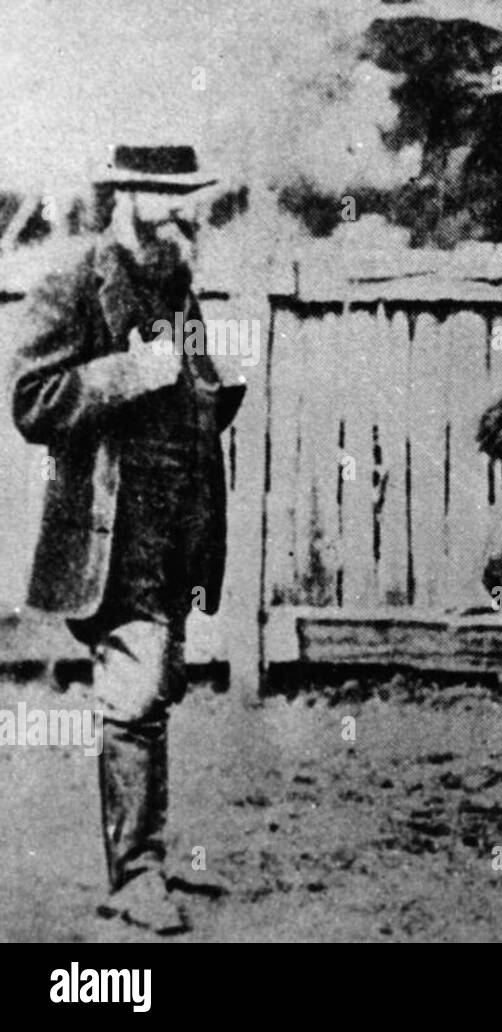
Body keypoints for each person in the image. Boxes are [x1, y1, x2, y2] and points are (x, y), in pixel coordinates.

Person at [8, 145, 245, 933]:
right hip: (111, 535)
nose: (185, 211)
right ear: (128, 196)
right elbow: (33, 401)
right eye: (168, 196)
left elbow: (195, 390)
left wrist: (216, 385)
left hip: (177, 530)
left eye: (191, 197)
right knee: (135, 696)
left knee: (158, 692)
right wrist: (126, 373)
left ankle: (145, 859)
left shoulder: (176, 281)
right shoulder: (75, 278)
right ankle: (135, 878)